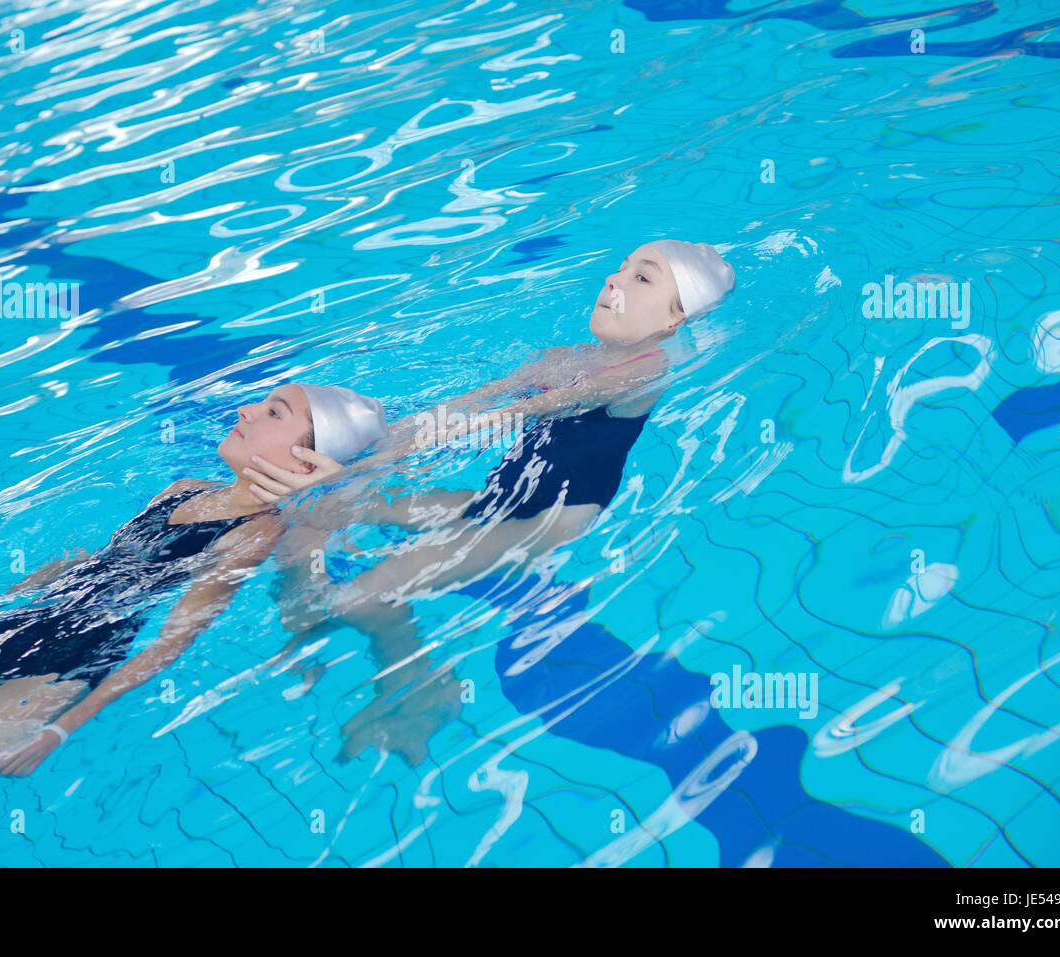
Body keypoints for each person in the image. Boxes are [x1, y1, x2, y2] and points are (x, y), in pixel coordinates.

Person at [0, 382, 387, 866]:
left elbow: (173, 640)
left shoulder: (257, 532)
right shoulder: (183, 489)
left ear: (304, 461)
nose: (244, 410)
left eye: (272, 414)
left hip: (63, 670)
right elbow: (81, 560)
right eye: (260, 403)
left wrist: (63, 726)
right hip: (10, 633)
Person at [245, 240, 736, 765]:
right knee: (319, 508)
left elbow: (513, 414)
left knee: (362, 596)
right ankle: (301, 626)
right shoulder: (565, 358)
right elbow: (467, 405)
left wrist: (380, 462)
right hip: (496, 498)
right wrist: (375, 452)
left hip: (546, 522)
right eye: (618, 267)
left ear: (677, 317)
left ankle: (424, 683)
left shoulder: (644, 369)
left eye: (642, 279)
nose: (614, 280)